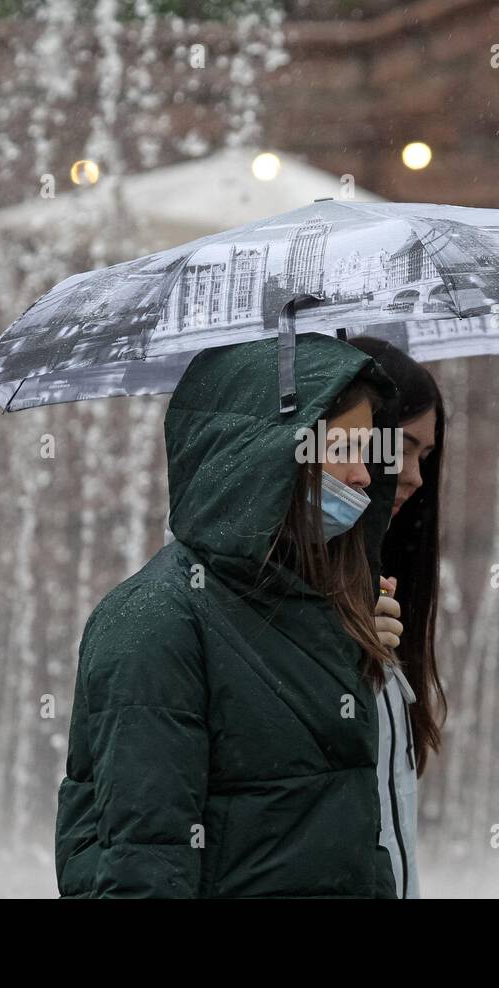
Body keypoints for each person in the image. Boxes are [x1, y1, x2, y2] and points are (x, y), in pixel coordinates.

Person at [55, 332, 404, 897]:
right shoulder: (158, 620)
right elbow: (147, 858)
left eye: (366, 452)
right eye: (341, 450)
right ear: (263, 457)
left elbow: (353, 835)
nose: (364, 475)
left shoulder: (321, 607)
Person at [350, 335, 448, 900]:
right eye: (402, 447)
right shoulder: (238, 609)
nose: (414, 477)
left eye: (426, 457)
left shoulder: (378, 597)